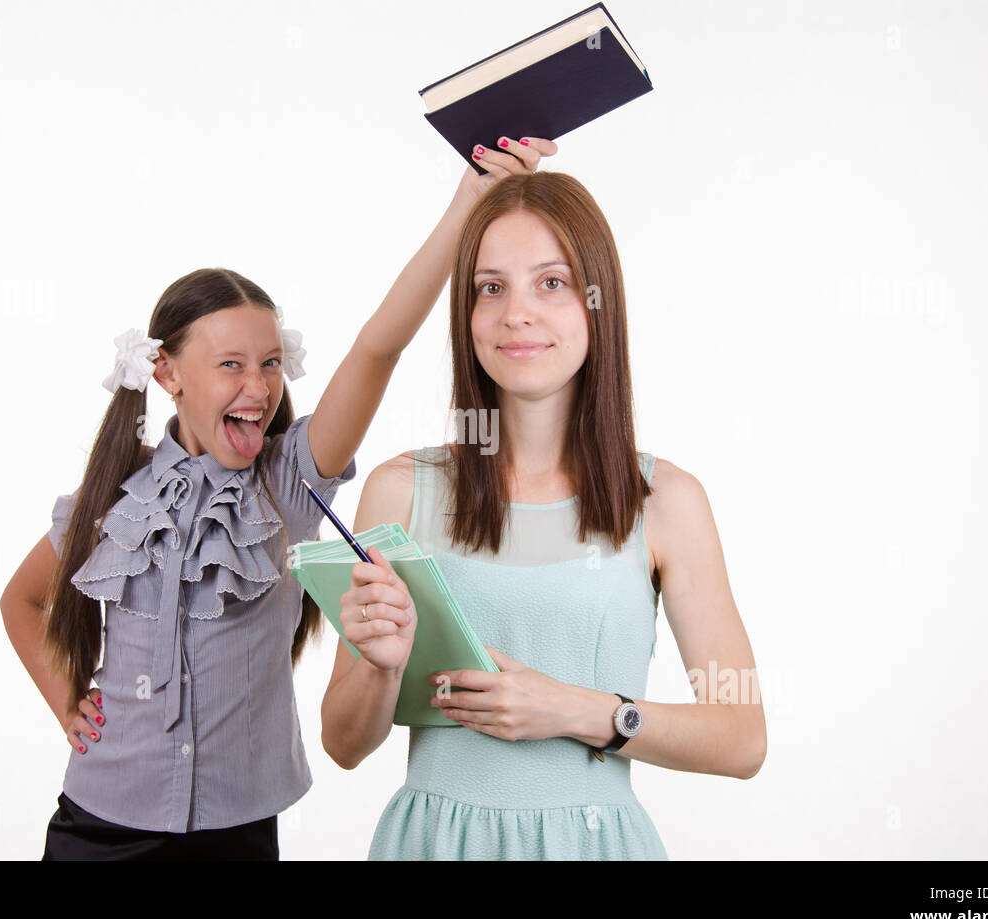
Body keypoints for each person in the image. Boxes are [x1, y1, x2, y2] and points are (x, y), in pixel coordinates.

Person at [0, 135, 556, 860]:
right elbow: (21, 601)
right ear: (167, 373)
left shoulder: (289, 483)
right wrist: (66, 700)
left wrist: (466, 205)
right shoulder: (113, 496)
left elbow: (376, 348)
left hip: (237, 828)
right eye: (230, 365)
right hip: (98, 820)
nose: (258, 388)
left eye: (268, 364)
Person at [321, 170, 768, 860]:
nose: (516, 313)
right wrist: (380, 667)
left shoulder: (668, 502)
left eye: (551, 283)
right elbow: (343, 743)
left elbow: (742, 738)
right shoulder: (400, 490)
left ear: (599, 303)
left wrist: (576, 710)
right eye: (490, 287)